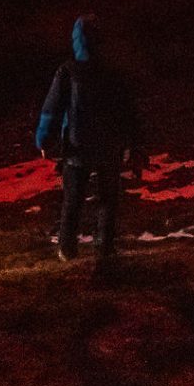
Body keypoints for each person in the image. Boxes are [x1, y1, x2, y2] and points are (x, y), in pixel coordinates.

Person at [35, 14, 143, 264]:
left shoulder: (68, 72)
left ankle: (67, 247)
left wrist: (44, 139)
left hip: (77, 146)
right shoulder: (112, 74)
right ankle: (104, 246)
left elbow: (52, 108)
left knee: (73, 199)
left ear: (76, 40)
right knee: (108, 199)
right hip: (109, 146)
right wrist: (133, 143)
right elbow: (127, 112)